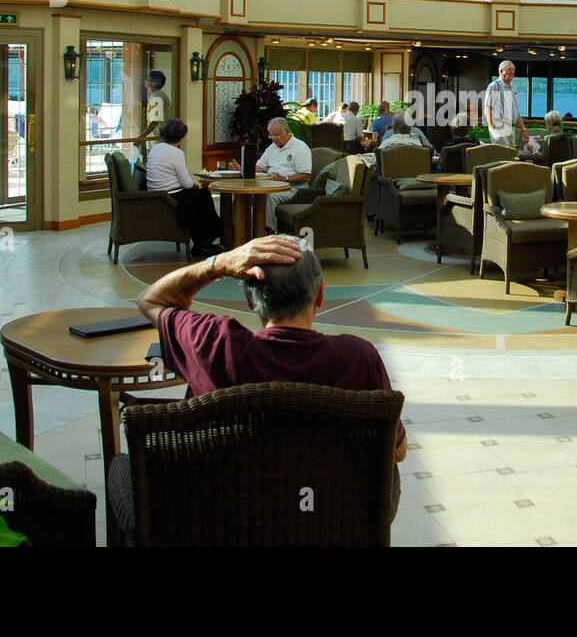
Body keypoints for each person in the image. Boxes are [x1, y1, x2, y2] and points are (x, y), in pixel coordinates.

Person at [135, 235, 407, 518]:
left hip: (228, 518)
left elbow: (151, 299)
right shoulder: (358, 358)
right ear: (320, 295)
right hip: (327, 519)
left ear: (250, 300)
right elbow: (397, 452)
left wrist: (218, 264)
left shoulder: (213, 343)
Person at [145, 118, 222, 258]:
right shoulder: (176, 153)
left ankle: (203, 243)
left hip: (156, 194)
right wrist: (195, 186)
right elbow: (186, 183)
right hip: (171, 196)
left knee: (201, 197)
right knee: (203, 196)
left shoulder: (155, 148)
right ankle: (206, 241)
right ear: (180, 136)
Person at [255, 117, 312, 224]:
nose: (274, 139)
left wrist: (284, 178)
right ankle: (237, 231)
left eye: (277, 135)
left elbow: (305, 175)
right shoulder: (272, 147)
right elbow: (259, 167)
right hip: (271, 186)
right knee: (242, 196)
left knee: (269, 197)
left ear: (287, 132)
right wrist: (243, 168)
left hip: (293, 189)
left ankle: (269, 232)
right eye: (271, 135)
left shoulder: (300, 147)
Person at [485, 60, 529, 150]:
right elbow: (487, 108)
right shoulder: (494, 86)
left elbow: (516, 112)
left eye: (513, 70)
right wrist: (493, 127)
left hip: (511, 129)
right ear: (501, 71)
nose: (512, 72)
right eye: (509, 69)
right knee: (503, 156)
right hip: (499, 128)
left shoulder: (513, 88)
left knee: (511, 156)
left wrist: (523, 130)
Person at [138, 70, 172, 157]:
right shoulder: (158, 96)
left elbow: (154, 122)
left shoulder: (157, 98)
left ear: (153, 83)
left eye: (148, 79)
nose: (145, 80)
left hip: (157, 141)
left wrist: (141, 138)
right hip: (158, 140)